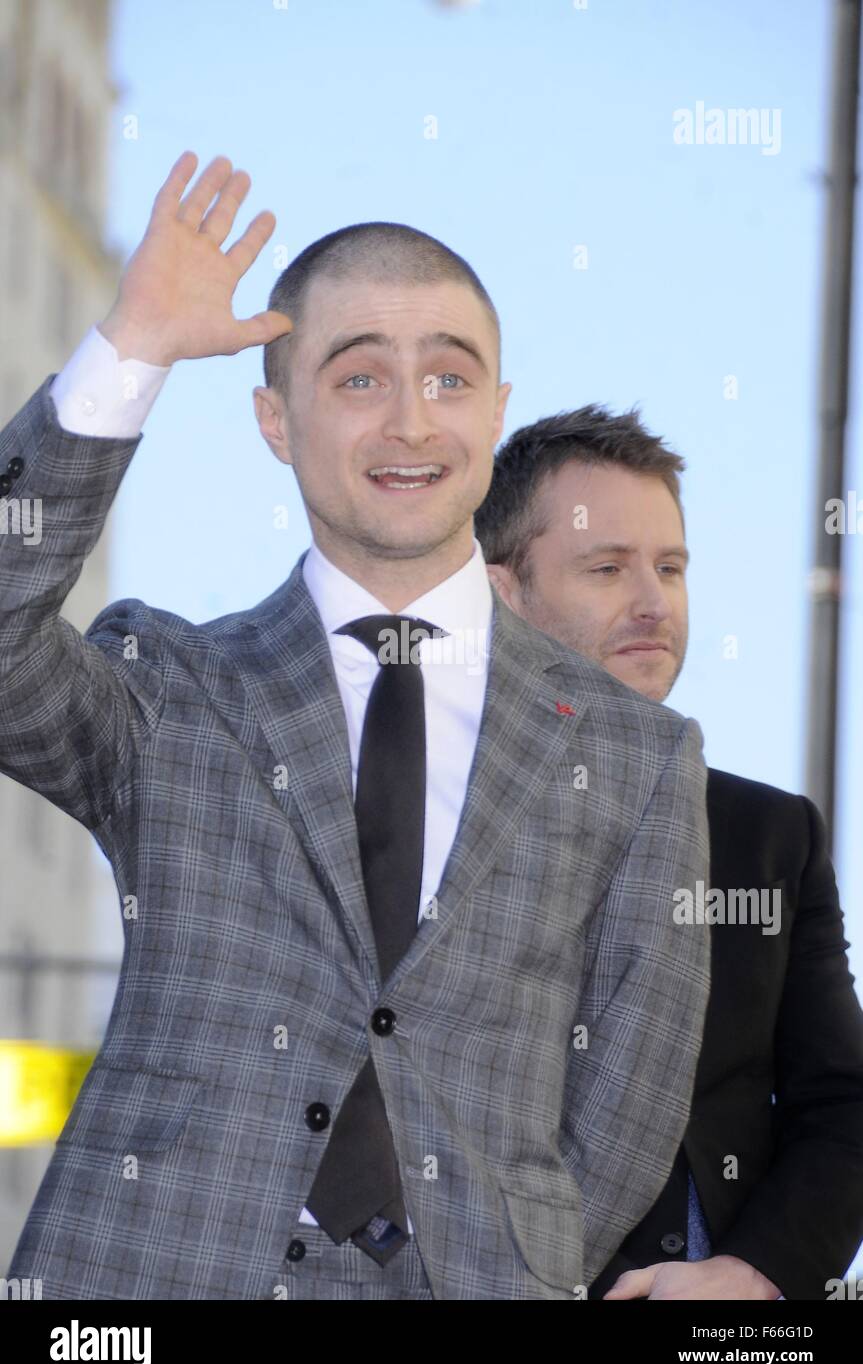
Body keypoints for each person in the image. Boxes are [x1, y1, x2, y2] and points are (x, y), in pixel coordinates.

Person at [0, 153, 710, 1300]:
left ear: (494, 409)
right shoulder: (167, 682)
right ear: (275, 420)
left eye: (447, 376)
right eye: (359, 377)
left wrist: (514, 1263)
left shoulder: (634, 756)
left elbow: (629, 1096)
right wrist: (128, 350)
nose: (410, 419)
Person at [475, 403, 863, 1300]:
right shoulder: (418, 816)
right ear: (502, 593)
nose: (653, 602)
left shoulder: (772, 836)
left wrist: (751, 1276)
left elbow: (842, 1107)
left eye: (670, 567)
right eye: (607, 567)